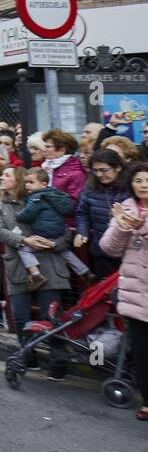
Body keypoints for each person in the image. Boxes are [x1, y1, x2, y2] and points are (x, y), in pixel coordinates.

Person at [0, 166, 74, 378]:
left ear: (20, 180)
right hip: (19, 266)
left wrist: (53, 244)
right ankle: (28, 357)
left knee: (52, 317)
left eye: (7, 175)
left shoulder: (45, 198)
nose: (1, 177)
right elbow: (0, 231)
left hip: (50, 263)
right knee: (20, 317)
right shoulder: (0, 206)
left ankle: (59, 363)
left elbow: (65, 232)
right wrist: (23, 240)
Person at [98, 162, 148, 422]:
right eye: (139, 180)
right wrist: (122, 226)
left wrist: (139, 225)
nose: (144, 185)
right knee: (142, 352)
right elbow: (109, 248)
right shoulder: (126, 209)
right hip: (135, 291)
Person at [16, 167, 91, 286]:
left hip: (44, 234)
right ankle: (84, 271)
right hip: (59, 232)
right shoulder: (56, 195)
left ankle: (36, 276)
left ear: (44, 184)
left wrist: (17, 214)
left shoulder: (37, 198)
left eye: (31, 182)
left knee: (24, 249)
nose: (27, 185)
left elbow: (26, 215)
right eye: (26, 182)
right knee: (64, 252)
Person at [76, 149, 127, 280]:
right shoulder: (90, 188)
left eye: (104, 170)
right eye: (95, 170)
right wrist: (83, 232)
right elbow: (82, 213)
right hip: (100, 250)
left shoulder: (130, 188)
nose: (99, 174)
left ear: (118, 167)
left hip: (127, 251)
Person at [41, 130, 85, 208]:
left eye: (48, 147)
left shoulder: (76, 171)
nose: (44, 150)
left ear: (62, 150)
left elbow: (74, 203)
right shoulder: (46, 166)